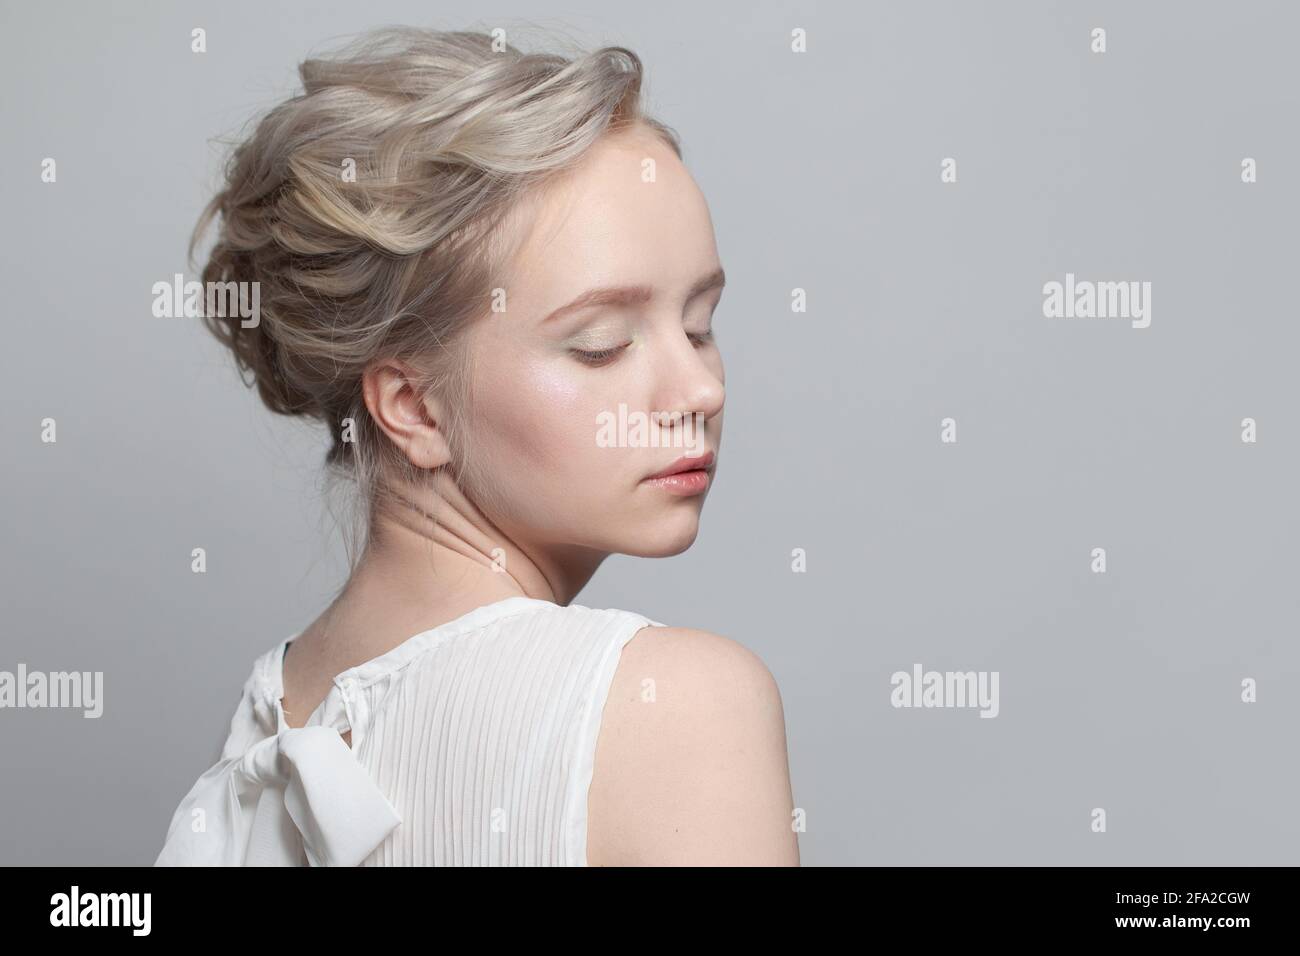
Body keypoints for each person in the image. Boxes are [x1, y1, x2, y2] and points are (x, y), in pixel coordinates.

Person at [154, 25, 798, 866]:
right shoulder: (674, 705)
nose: (700, 392)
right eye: (602, 343)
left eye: (699, 325)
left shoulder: (267, 726)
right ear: (413, 407)